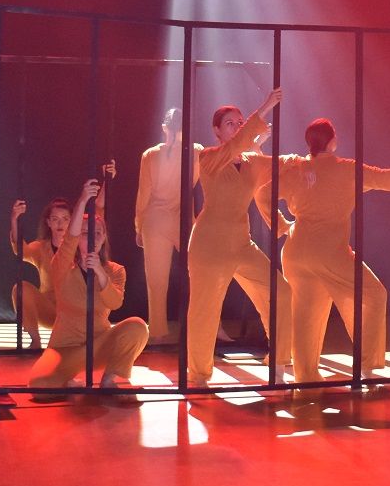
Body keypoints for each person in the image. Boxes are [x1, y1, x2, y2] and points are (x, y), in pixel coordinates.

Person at [268, 118, 390, 383]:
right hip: (329, 253)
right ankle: (366, 366)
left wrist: (280, 226)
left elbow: (263, 194)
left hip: (295, 251)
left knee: (306, 314)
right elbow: (383, 177)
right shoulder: (345, 169)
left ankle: (306, 376)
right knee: (374, 295)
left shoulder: (299, 170)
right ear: (333, 141)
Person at [183, 88, 293, 388]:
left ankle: (279, 361)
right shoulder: (208, 157)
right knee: (205, 310)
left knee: (281, 292)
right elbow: (234, 147)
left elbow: (283, 165)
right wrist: (266, 106)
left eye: (240, 122)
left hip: (240, 242)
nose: (237, 127)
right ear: (216, 131)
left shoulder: (251, 161)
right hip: (209, 243)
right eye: (230, 123)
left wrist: (312, 167)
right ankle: (198, 375)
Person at [29, 177, 149, 394]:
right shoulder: (62, 266)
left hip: (99, 344)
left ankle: (109, 379)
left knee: (137, 326)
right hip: (65, 348)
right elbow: (69, 239)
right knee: (40, 387)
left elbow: (115, 302)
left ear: (103, 239)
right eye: (86, 234)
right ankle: (68, 379)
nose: (92, 238)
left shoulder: (115, 270)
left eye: (97, 234)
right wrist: (84, 199)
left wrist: (100, 273)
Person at [133, 108, 185, 345]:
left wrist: (138, 227)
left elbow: (143, 195)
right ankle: (206, 327)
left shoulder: (150, 155)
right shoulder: (194, 151)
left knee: (156, 281)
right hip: (182, 220)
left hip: (154, 220)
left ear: (164, 127)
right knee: (202, 276)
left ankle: (158, 333)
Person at [8, 196, 71, 352]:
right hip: (50, 310)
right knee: (20, 288)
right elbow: (21, 251)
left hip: (75, 312)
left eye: (65, 219)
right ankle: (35, 340)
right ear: (48, 222)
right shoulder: (41, 247)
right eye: (55, 219)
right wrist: (14, 219)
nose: (60, 224)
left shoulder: (79, 247)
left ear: (72, 221)